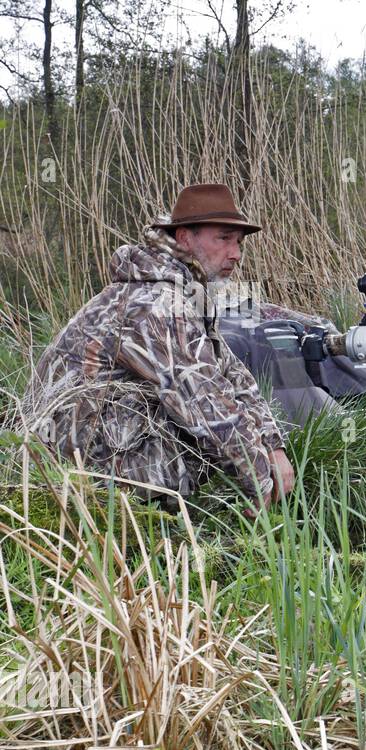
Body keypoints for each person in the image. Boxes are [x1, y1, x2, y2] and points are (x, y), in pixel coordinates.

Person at [20, 183, 295, 509]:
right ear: (184, 238)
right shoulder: (156, 302)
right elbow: (202, 401)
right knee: (198, 450)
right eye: (223, 239)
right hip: (68, 460)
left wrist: (274, 446)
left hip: (97, 437)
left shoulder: (184, 294)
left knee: (217, 444)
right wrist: (261, 478)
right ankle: (169, 532)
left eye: (238, 242)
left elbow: (229, 375)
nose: (235, 253)